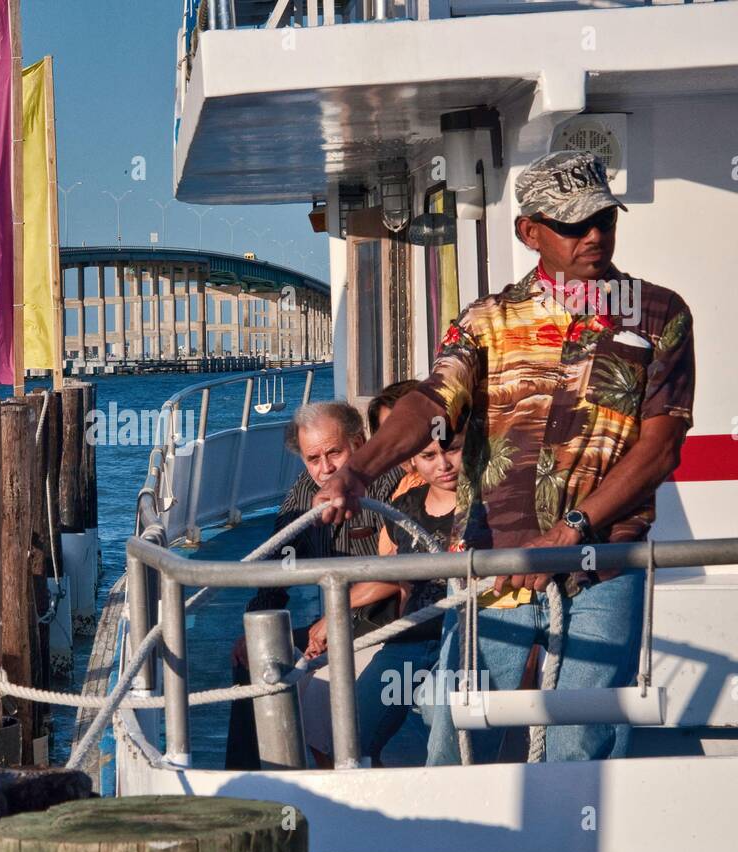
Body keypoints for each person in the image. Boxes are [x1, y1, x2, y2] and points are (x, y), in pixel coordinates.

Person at [313, 150, 695, 764]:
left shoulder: (660, 314)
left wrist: (572, 530)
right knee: (459, 737)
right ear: (530, 231)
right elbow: (432, 404)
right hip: (496, 561)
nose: (594, 234)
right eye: (573, 224)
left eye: (604, 219)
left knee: (580, 745)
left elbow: (661, 446)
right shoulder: (486, 322)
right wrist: (360, 468)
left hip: (607, 559)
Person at [224, 400, 404, 770]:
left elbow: (403, 568)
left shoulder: (392, 481)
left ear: (358, 441)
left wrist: (332, 620)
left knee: (317, 690)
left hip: (388, 622)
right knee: (252, 660)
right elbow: (277, 563)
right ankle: (253, 782)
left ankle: (343, 783)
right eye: (313, 458)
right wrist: (256, 628)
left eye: (334, 453)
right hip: (338, 626)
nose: (325, 469)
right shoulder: (305, 493)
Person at [299, 430, 463, 767]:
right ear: (412, 462)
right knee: (350, 737)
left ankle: (446, 808)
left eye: (454, 451)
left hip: (465, 640)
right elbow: (392, 573)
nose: (444, 464)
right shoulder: (404, 508)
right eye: (429, 456)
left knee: (442, 719)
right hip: (410, 641)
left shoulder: (488, 508)